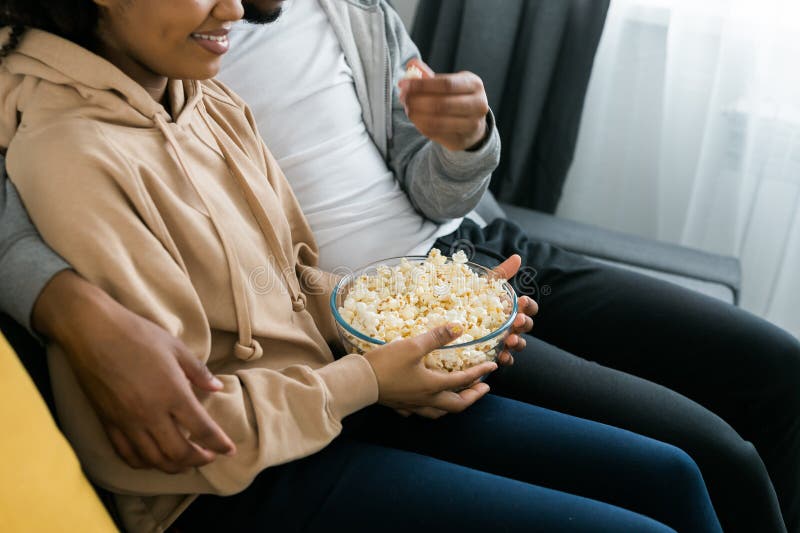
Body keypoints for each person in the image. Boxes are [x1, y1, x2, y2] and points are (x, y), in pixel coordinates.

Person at [0, 0, 796, 531]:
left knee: (677, 473)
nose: (233, 7)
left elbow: (299, 271)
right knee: (678, 488)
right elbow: (202, 434)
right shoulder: (79, 137)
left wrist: (426, 309)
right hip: (256, 467)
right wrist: (374, 379)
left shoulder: (201, 90)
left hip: (394, 324)